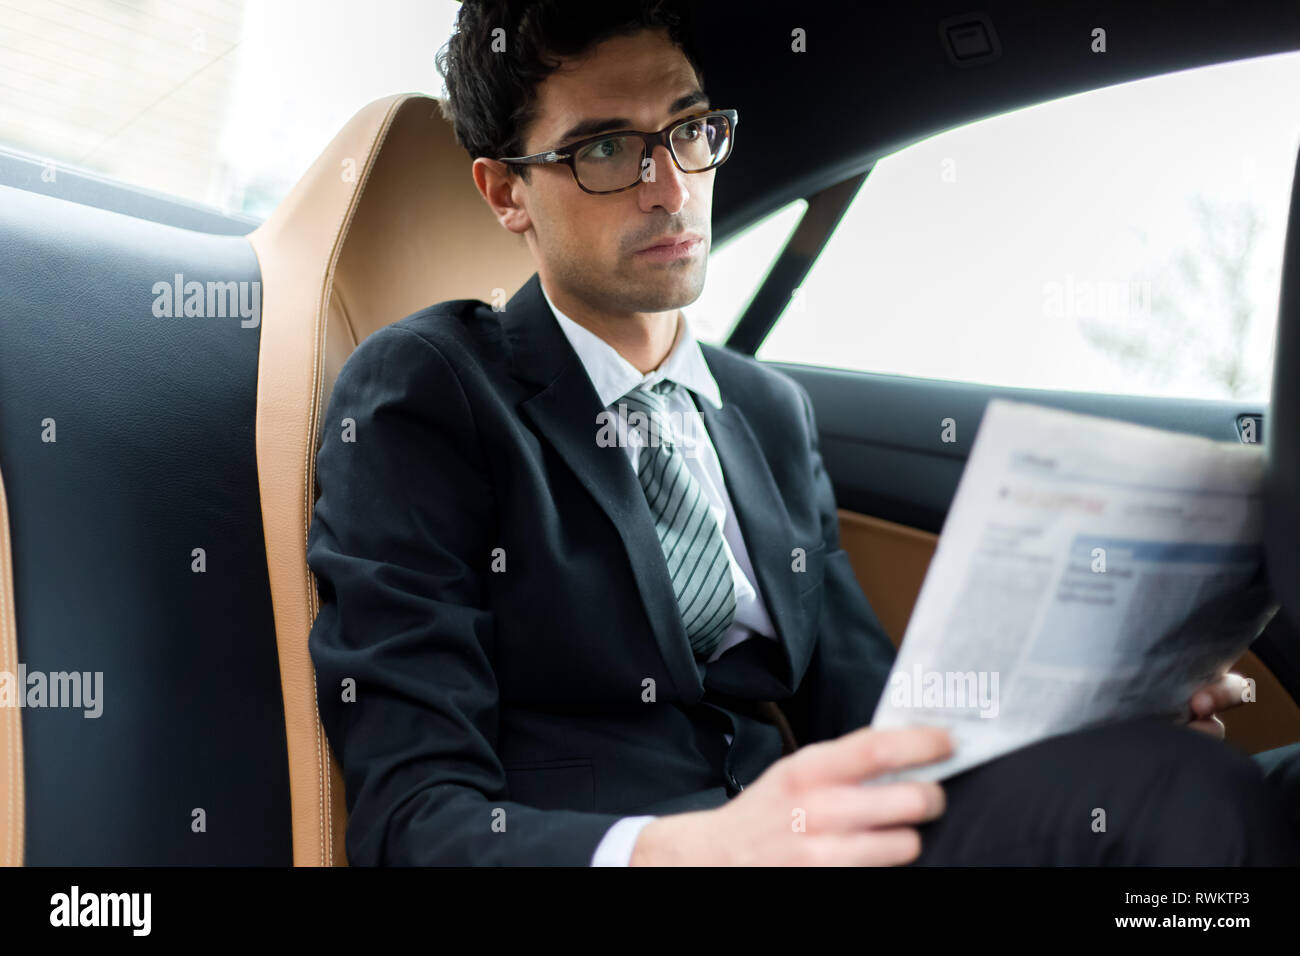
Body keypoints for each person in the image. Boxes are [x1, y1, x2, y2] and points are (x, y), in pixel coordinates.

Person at [305, 0, 1300, 866]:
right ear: (505, 191)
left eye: (687, 129)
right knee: (1179, 796)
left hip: (837, 844)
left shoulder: (767, 414)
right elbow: (413, 820)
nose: (668, 185)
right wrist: (707, 846)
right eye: (605, 148)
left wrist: (1097, 708)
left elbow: (876, 723)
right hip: (653, 852)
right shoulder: (429, 390)